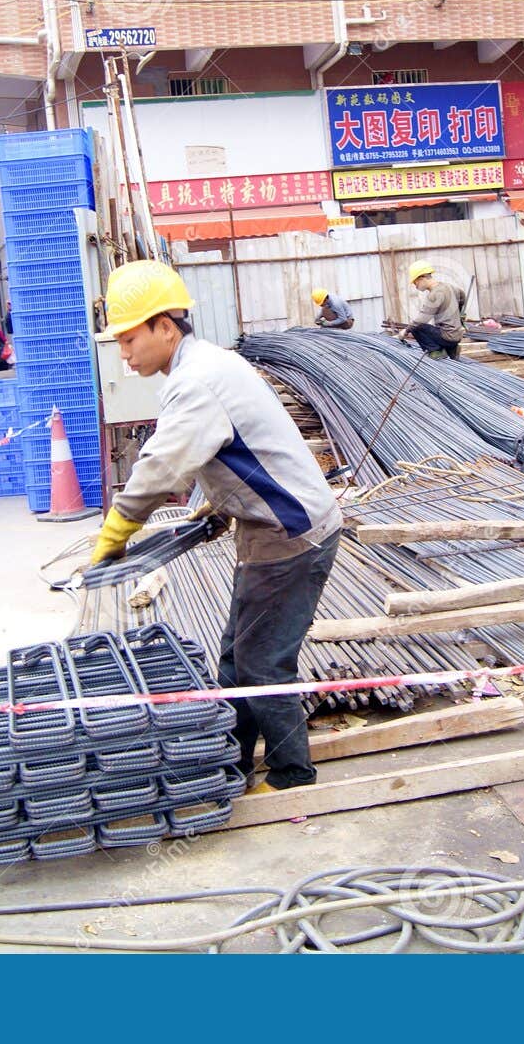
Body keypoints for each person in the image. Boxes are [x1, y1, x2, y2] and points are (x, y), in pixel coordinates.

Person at [90, 260, 342, 794]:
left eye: (129, 338)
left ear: (165, 325)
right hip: (272, 524)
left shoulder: (197, 380)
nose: (125, 353)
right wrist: (220, 502)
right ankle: (234, 762)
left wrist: (116, 531)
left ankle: (294, 779)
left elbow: (162, 465)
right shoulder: (203, 365)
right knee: (236, 659)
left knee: (262, 664)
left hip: (289, 533)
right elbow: (234, 448)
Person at [403, 260, 467, 360]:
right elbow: (462, 296)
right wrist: (460, 314)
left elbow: (421, 319)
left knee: (416, 327)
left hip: (447, 337)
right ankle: (451, 349)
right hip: (457, 336)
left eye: (415, 282)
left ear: (422, 277)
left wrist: (405, 331)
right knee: (434, 329)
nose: (416, 286)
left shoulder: (434, 295)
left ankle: (436, 351)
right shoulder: (450, 287)